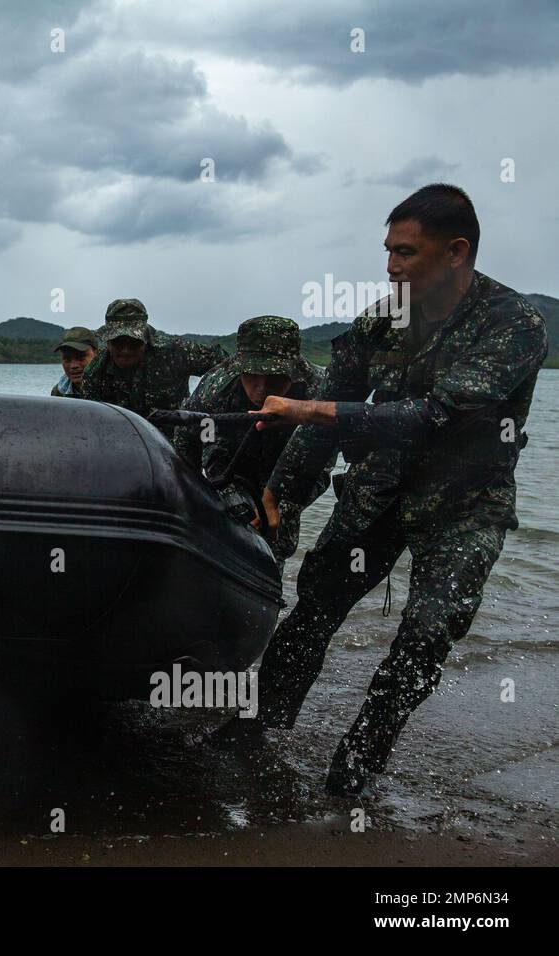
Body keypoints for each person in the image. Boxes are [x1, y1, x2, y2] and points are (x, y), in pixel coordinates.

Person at [230, 184, 549, 795]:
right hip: (380, 490)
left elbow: (435, 416)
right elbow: (334, 407)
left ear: (457, 252)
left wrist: (314, 410)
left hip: (466, 505)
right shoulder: (380, 322)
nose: (391, 266)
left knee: (428, 631)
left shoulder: (512, 324)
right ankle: (256, 727)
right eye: (388, 250)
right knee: (314, 606)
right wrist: (281, 492)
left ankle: (359, 763)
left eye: (406, 252)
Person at [173, 315, 333, 567]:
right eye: (253, 375)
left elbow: (320, 467)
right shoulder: (215, 390)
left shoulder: (319, 392)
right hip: (230, 465)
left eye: (275, 377)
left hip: (289, 473)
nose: (262, 388)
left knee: (273, 545)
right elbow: (189, 450)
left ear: (294, 369)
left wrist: (283, 503)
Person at [79, 298, 226, 417]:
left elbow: (226, 363)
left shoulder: (174, 352)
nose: (125, 350)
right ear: (107, 342)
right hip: (121, 442)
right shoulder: (94, 374)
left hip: (173, 443)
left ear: (146, 339)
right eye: (118, 342)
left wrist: (204, 401)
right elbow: (92, 421)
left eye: (134, 343)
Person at [50, 327, 98, 397]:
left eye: (80, 357)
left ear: (96, 354)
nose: (73, 366)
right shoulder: (58, 392)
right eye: (67, 359)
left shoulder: (113, 385)